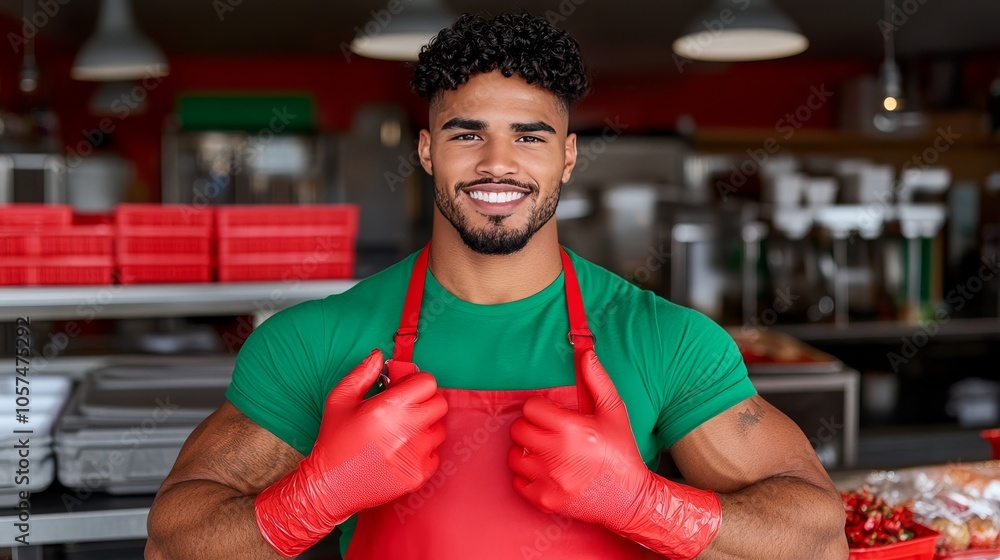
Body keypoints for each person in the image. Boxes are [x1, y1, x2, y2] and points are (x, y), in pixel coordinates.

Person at [146, 12, 848, 560]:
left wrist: (642, 501)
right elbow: (172, 543)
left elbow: (817, 539)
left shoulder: (664, 339)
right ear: (426, 150)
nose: (497, 164)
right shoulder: (316, 340)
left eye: (531, 137)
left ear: (569, 157)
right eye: (466, 134)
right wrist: (315, 495)